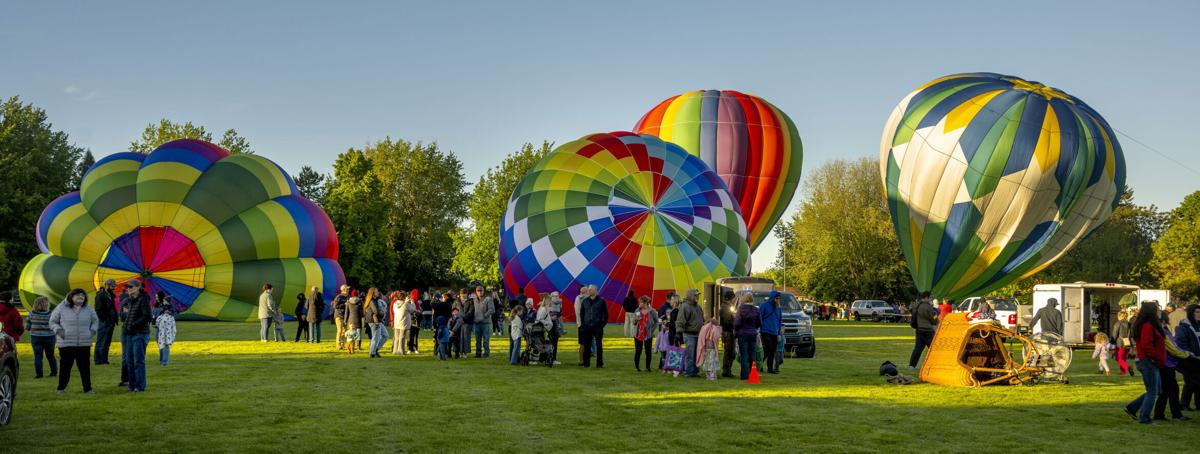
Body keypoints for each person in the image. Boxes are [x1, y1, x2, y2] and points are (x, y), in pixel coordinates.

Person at [49, 289, 98, 394]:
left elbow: (95, 321)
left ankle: (88, 389)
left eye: (83, 297)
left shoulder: (89, 309)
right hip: (66, 343)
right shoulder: (61, 308)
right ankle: (61, 388)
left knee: (85, 368)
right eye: (78, 297)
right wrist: (59, 331)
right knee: (65, 367)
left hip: (84, 343)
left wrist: (92, 331)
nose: (81, 299)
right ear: (72, 297)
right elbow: (52, 321)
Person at [1125, 301, 1165, 424]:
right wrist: (1157, 357)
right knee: (1153, 391)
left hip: (1149, 360)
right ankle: (1145, 417)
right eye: (1156, 309)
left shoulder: (1146, 325)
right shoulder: (1147, 326)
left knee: (1156, 390)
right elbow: (1147, 345)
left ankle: (1132, 407)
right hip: (1149, 361)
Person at [120, 280, 151, 392]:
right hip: (129, 334)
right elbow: (125, 316)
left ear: (138, 287)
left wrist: (134, 324)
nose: (128, 288)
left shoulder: (143, 299)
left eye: (131, 287)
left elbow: (147, 316)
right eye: (127, 287)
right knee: (129, 361)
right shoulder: (131, 300)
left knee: (138, 361)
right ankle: (132, 386)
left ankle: (140, 386)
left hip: (139, 333)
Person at [25, 296, 58, 378]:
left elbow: (27, 327)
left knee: (38, 356)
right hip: (50, 337)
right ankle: (54, 372)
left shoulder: (32, 314)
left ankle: (39, 374)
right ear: (47, 304)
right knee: (50, 355)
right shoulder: (52, 314)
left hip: (36, 337)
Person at [1176, 304, 1200, 411]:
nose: (1199, 314)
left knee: (1198, 382)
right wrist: (1190, 354)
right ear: (1191, 313)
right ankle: (1184, 404)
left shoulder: (1198, 326)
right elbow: (1181, 343)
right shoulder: (1183, 327)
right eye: (1197, 312)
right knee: (1191, 382)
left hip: (1198, 359)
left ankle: (1198, 404)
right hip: (1189, 359)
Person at [733, 292, 761, 380]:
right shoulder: (756, 309)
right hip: (753, 333)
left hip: (743, 334)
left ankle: (744, 375)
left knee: (744, 355)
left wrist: (737, 329)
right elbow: (759, 322)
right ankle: (752, 374)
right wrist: (754, 328)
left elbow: (737, 323)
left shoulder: (741, 309)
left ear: (744, 299)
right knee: (753, 354)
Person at [676, 289, 704, 378]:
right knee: (690, 354)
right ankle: (688, 372)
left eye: (698, 295)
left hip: (698, 334)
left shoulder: (698, 307)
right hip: (689, 334)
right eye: (695, 295)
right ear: (690, 296)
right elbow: (680, 320)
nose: (697, 297)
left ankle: (695, 372)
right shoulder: (685, 306)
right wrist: (679, 332)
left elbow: (701, 319)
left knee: (697, 354)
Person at [908, 291, 938, 371]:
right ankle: (935, 365)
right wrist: (936, 313)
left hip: (919, 330)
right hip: (928, 331)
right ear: (926, 297)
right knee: (933, 349)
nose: (931, 299)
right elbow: (934, 320)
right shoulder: (929, 307)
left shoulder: (916, 305)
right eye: (930, 297)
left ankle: (911, 366)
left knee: (917, 349)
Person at [579, 285, 608, 368]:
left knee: (599, 346)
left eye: (591, 290)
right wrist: (583, 324)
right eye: (589, 290)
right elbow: (582, 314)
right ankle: (586, 363)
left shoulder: (601, 301)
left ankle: (599, 364)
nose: (589, 291)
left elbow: (605, 314)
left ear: (596, 290)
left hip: (597, 326)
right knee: (587, 345)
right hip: (587, 326)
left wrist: (601, 325)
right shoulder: (585, 301)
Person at [93, 279, 118, 365]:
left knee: (107, 341)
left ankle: (104, 359)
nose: (114, 288)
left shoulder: (110, 295)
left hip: (111, 321)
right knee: (101, 340)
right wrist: (104, 319)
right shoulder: (100, 295)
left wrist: (115, 319)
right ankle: (98, 360)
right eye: (112, 286)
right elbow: (98, 309)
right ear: (107, 285)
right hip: (104, 322)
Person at [631, 296, 658, 372]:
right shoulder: (637, 310)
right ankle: (637, 367)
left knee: (648, 351)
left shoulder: (652, 311)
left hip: (648, 334)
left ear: (646, 303)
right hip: (638, 333)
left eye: (641, 302)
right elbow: (634, 323)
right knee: (638, 351)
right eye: (639, 302)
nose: (640, 303)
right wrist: (635, 319)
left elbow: (656, 322)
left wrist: (652, 330)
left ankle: (647, 367)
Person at [759, 291, 783, 374]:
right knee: (768, 349)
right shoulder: (764, 305)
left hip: (775, 332)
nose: (778, 300)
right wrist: (760, 330)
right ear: (773, 298)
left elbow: (779, 321)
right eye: (777, 298)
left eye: (779, 298)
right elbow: (760, 318)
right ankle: (759, 365)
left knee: (772, 351)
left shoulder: (778, 308)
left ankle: (769, 368)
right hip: (765, 331)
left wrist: (779, 333)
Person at [365, 288, 390, 358]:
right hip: (374, 321)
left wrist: (382, 312)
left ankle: (375, 350)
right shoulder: (372, 301)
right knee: (375, 338)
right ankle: (372, 353)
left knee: (385, 335)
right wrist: (383, 312)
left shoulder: (376, 300)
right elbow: (376, 312)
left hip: (378, 320)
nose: (378, 293)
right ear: (372, 293)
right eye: (376, 292)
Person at [470, 285, 495, 358]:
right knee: (477, 340)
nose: (480, 292)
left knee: (486, 340)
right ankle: (478, 353)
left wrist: (484, 315)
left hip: (485, 323)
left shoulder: (488, 299)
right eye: (478, 290)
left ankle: (486, 353)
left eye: (481, 290)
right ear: (476, 292)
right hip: (477, 323)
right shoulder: (474, 300)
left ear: (484, 291)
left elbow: (492, 309)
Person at [719, 289, 737, 378]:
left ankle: (728, 370)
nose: (735, 299)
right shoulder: (726, 307)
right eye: (734, 297)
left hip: (728, 331)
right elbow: (727, 321)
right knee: (729, 352)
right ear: (731, 298)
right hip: (728, 332)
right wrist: (734, 319)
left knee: (730, 352)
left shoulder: (727, 306)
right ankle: (726, 371)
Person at [697, 316, 721, 380]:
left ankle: (708, 375)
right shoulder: (714, 330)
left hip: (707, 349)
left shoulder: (704, 330)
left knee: (707, 363)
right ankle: (712, 376)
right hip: (712, 349)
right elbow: (715, 339)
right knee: (712, 363)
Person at [543, 291, 563, 365]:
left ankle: (553, 358)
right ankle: (549, 357)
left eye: (557, 296)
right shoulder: (548, 303)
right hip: (550, 324)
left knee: (554, 341)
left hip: (555, 324)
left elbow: (560, 315)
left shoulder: (559, 305)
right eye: (555, 296)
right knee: (550, 341)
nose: (556, 297)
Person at [1113, 311, 1135, 376]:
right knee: (1124, 358)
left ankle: (1128, 368)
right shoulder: (1129, 324)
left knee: (1119, 358)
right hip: (1128, 342)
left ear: (1119, 316)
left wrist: (1112, 342)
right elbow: (1132, 334)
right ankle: (1122, 372)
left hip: (1120, 343)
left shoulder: (1118, 323)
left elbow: (1115, 334)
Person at [155, 299, 176, 366]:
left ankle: (165, 361)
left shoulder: (171, 318)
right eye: (166, 309)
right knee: (161, 347)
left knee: (166, 347)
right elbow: (156, 324)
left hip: (168, 335)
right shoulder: (160, 317)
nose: (167, 311)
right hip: (161, 334)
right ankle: (161, 360)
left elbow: (173, 328)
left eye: (168, 310)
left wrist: (173, 335)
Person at [344, 290, 363, 355]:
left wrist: (345, 321)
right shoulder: (360, 302)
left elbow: (346, 312)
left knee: (350, 334)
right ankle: (358, 347)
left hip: (350, 320)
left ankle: (349, 346)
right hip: (358, 319)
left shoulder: (348, 302)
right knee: (358, 334)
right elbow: (361, 312)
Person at [333, 285, 350, 350]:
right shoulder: (339, 297)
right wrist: (344, 304)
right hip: (339, 316)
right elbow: (335, 306)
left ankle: (342, 344)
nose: (348, 290)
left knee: (344, 331)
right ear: (343, 290)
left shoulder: (348, 297)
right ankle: (338, 345)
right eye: (347, 289)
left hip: (345, 316)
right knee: (339, 330)